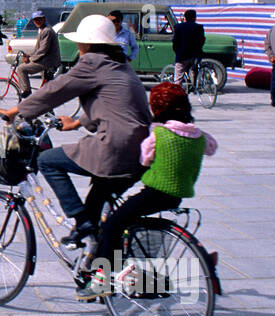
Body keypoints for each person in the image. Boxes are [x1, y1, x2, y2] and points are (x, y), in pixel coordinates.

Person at [0, 14, 152, 231]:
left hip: (116, 148)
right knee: (97, 207)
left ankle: (80, 223)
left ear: (87, 42)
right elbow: (114, 109)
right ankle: (96, 255)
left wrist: (16, 111)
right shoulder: (119, 64)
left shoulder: (93, 62)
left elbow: (56, 90)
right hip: (141, 151)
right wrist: (76, 123)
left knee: (48, 161)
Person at [76, 81, 217, 299]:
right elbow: (212, 148)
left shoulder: (159, 135)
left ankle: (102, 279)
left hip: (155, 192)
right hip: (177, 196)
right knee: (129, 221)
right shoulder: (200, 137)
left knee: (113, 223)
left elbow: (145, 158)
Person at [15, 8, 62, 97]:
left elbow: (43, 50)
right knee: (45, 90)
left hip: (48, 62)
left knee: (21, 69)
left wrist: (31, 59)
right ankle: (48, 109)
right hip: (47, 60)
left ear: (44, 19)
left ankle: (26, 90)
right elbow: (38, 49)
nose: (38, 21)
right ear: (33, 21)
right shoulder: (42, 30)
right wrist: (29, 55)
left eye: (40, 19)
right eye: (36, 20)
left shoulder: (47, 31)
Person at [172, 9, 205, 84]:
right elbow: (202, 41)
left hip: (182, 55)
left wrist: (176, 51)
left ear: (185, 18)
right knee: (194, 69)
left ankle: (177, 91)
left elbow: (175, 41)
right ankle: (194, 84)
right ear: (194, 18)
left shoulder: (178, 27)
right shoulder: (199, 27)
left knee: (178, 77)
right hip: (194, 55)